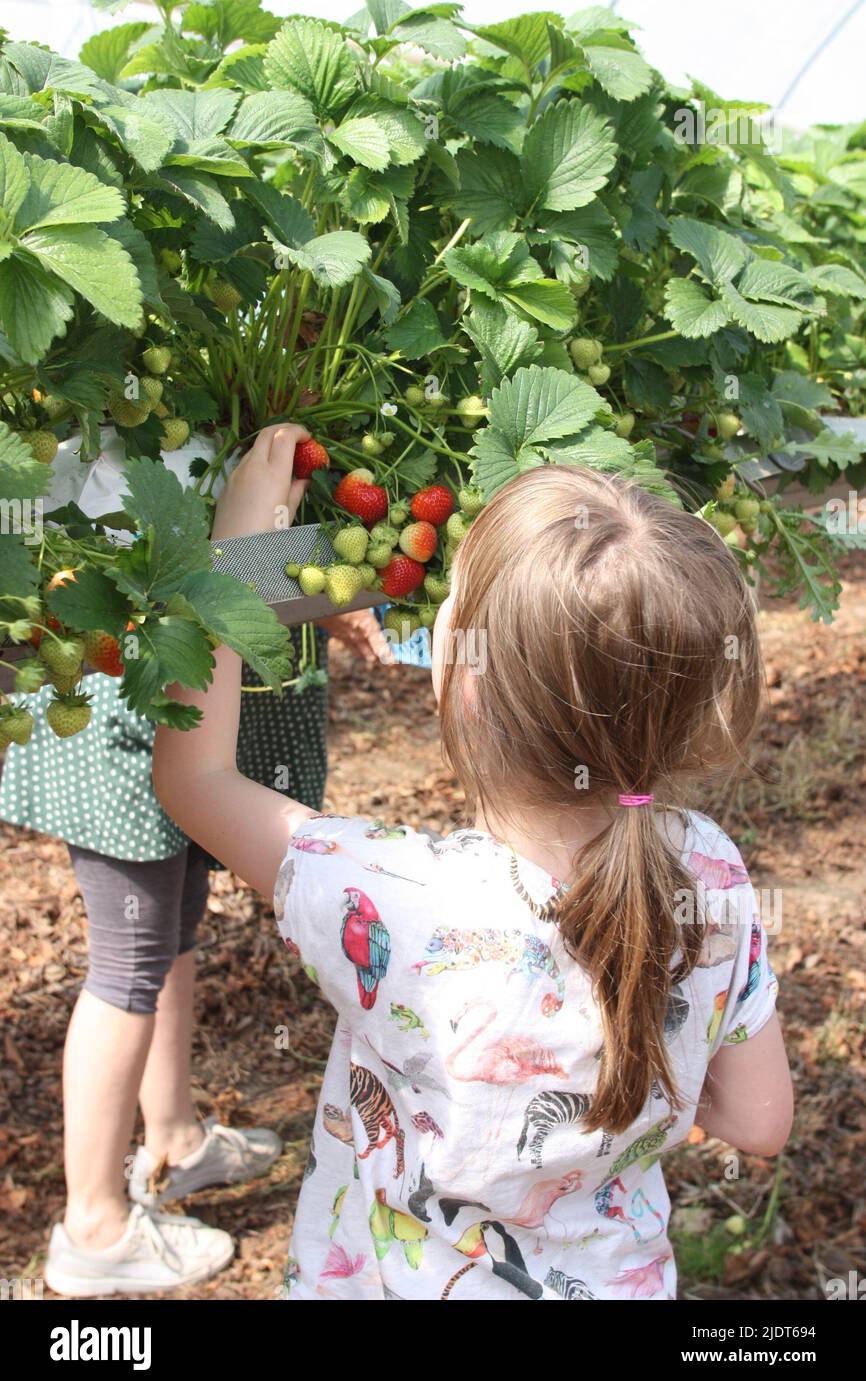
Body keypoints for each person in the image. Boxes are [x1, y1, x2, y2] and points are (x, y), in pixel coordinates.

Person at [152, 424, 793, 1301]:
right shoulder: (711, 876)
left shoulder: (390, 897)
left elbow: (194, 776)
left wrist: (237, 559)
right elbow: (758, 1121)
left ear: (466, 677)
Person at [1, 573, 389, 1296]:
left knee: (177, 913)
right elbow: (201, 560)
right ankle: (93, 1229)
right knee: (129, 958)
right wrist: (311, 591)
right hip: (118, 705)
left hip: (163, 696)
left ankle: (175, 1139)